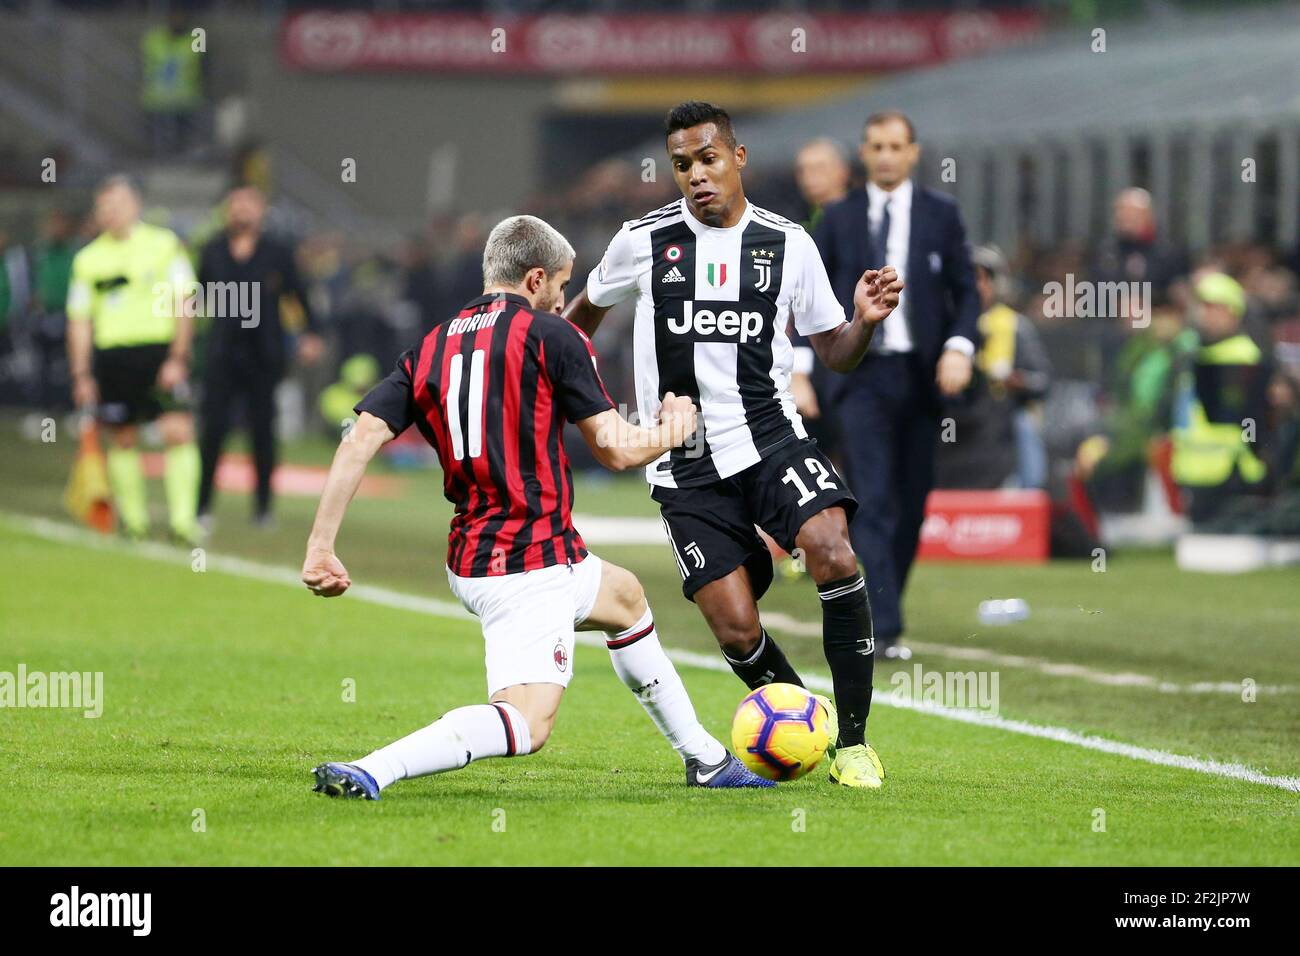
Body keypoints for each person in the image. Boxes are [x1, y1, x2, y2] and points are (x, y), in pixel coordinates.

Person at [304, 215, 771, 799]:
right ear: (534, 278)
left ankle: (705, 759)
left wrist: (320, 545)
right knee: (526, 724)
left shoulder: (432, 343)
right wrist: (673, 430)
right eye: (560, 286)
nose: (562, 302)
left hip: (482, 552)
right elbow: (617, 450)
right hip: (525, 564)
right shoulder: (554, 337)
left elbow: (360, 437)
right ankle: (372, 769)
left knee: (624, 598)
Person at [565, 102, 904, 789]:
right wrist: (585, 401)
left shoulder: (787, 244)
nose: (696, 176)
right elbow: (578, 326)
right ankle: (805, 721)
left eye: (709, 159)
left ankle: (855, 745)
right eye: (683, 164)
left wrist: (863, 321)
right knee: (734, 629)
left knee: (833, 549)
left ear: (738, 157)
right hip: (683, 462)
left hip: (773, 438)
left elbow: (834, 352)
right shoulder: (643, 241)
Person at [810, 109, 980, 660]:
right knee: (875, 497)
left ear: (913, 152)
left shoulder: (943, 215)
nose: (885, 156)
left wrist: (959, 348)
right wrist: (798, 368)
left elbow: (967, 292)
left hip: (922, 374)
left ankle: (885, 608)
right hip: (859, 375)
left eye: (895, 146)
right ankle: (883, 628)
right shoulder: (837, 218)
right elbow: (804, 297)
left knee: (912, 501)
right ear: (863, 153)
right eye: (876, 146)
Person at [66, 175, 201, 544]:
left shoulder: (164, 245)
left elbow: (185, 301)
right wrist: (81, 374)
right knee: (123, 437)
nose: (111, 213)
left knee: (178, 430)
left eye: (118, 205)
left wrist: (178, 356)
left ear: (135, 205)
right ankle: (136, 523)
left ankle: (183, 523)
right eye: (104, 207)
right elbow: (79, 320)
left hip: (159, 353)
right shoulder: (88, 259)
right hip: (113, 357)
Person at [195, 185, 323, 530]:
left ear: (262, 211)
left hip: (263, 354)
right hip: (222, 352)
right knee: (212, 430)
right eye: (235, 204)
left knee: (263, 432)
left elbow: (300, 294)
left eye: (249, 205)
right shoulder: (212, 250)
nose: (242, 211)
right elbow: (195, 294)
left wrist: (311, 333)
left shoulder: (278, 252)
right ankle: (202, 505)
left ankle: (263, 509)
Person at [935, 246, 1051, 489]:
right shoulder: (939, 327)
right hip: (953, 429)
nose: (977, 287)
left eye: (983, 279)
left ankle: (1028, 491)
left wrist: (1017, 382)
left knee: (1025, 424)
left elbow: (1042, 381)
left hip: (1000, 428)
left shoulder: (1015, 326)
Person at [1170, 272, 1272, 524]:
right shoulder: (1192, 354)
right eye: (1202, 307)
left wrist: (1251, 457)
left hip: (1231, 472)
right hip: (1194, 470)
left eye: (1213, 308)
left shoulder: (1244, 357)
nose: (1205, 315)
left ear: (1232, 311)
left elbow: (1251, 418)